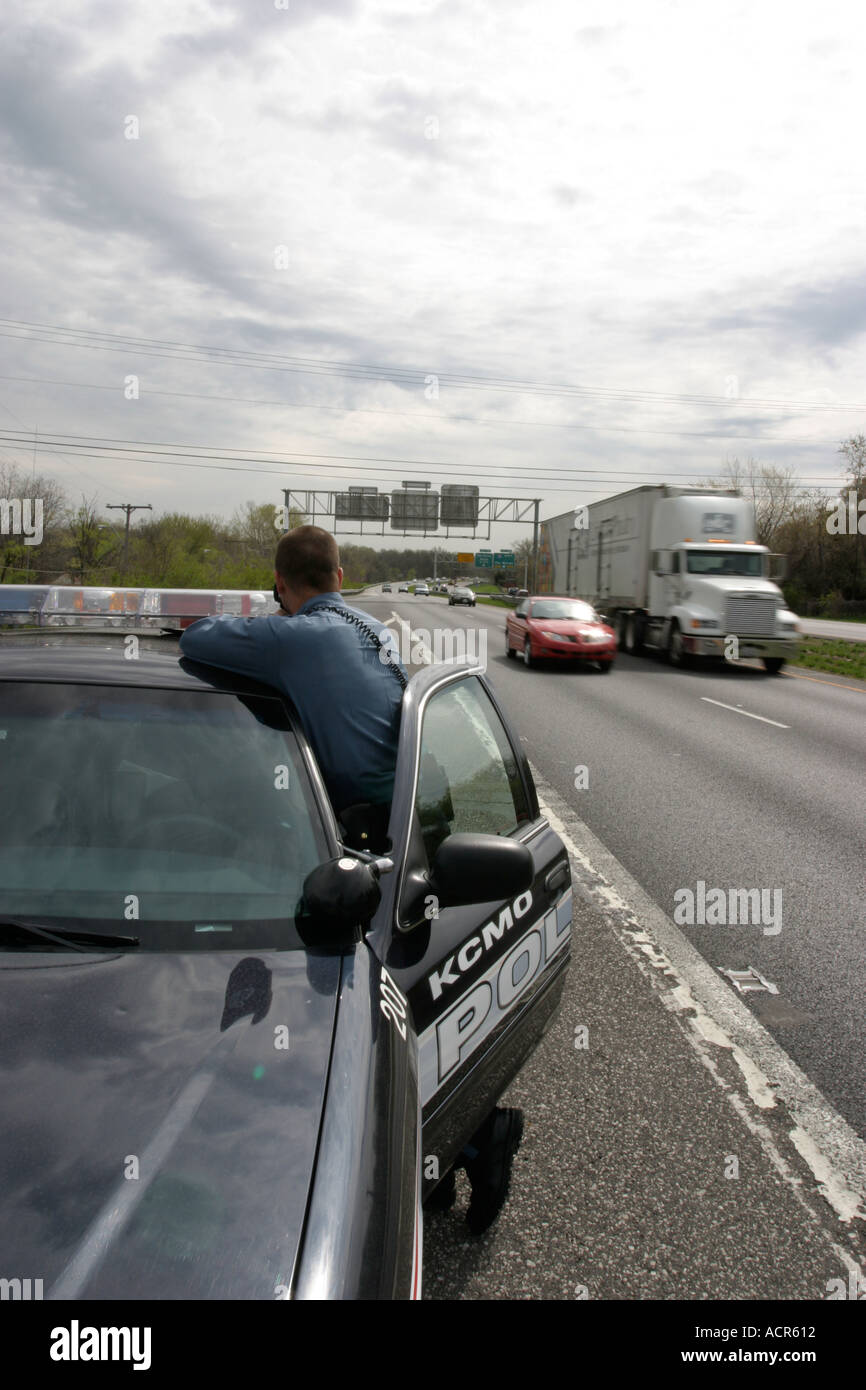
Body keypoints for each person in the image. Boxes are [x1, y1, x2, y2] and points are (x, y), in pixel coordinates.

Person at [179, 526, 407, 847]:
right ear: (339, 577)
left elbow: (195, 637)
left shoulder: (291, 637)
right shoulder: (379, 630)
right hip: (405, 814)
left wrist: (274, 623)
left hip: (347, 833)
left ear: (280, 582)